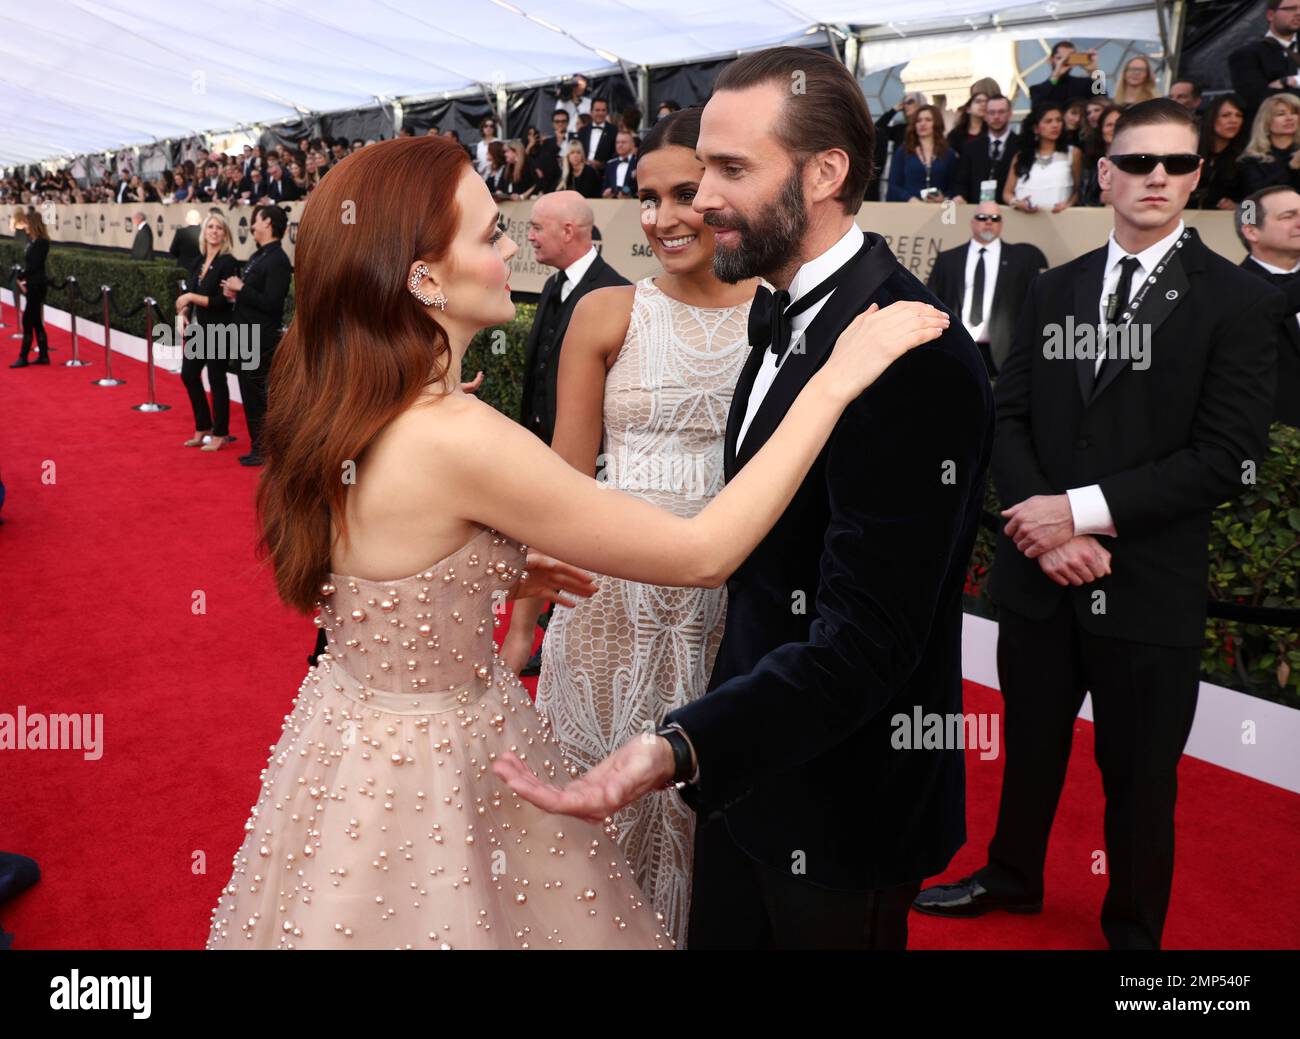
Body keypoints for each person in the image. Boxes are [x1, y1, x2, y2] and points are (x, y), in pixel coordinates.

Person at [203, 131, 940, 950]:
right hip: (440, 764)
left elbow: (384, 561)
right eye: (489, 236)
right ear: (423, 278)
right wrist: (835, 380)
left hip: (348, 741)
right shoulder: (456, 437)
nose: (512, 248)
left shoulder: (352, 400)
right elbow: (704, 553)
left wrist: (494, 565)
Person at [495, 46, 993, 952]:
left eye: (731, 169)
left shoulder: (910, 354)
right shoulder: (776, 308)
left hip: (838, 805)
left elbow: (866, 642)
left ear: (826, 172)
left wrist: (677, 746)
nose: (703, 197)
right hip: (740, 779)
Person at [914, 99, 1282, 950]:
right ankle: (1010, 874)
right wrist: (1049, 530)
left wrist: (1077, 514)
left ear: (1200, 178)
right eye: (1140, 161)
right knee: (1031, 747)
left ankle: (1133, 933)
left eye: (1180, 165)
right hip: (1042, 578)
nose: (1159, 177)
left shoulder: (1233, 301)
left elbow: (1225, 458)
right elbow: (1006, 416)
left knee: (1140, 777)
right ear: (1104, 174)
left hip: (1146, 585)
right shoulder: (1053, 286)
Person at [518, 108, 757, 946]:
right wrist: (522, 626)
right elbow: (560, 485)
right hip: (607, 615)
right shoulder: (609, 312)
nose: (662, 217)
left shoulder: (783, 317)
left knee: (696, 825)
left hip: (725, 615)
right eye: (647, 197)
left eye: (687, 192)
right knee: (593, 825)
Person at [926, 201, 1047, 376]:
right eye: (982, 217)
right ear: (973, 222)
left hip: (1003, 353)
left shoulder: (1021, 260)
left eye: (995, 218)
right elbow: (932, 302)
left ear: (1001, 224)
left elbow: (1033, 307)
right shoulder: (948, 259)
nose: (989, 222)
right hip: (957, 349)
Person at [222, 204, 292, 467]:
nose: (252, 225)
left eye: (257, 220)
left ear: (269, 224)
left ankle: (264, 449)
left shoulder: (278, 260)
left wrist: (241, 289)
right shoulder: (259, 256)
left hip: (259, 337)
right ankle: (259, 446)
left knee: (257, 395)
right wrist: (234, 292)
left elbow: (273, 303)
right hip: (245, 335)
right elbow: (253, 296)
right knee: (249, 393)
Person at [1237, 185, 1300, 426]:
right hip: (1267, 442)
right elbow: (1265, 309)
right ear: (1252, 231)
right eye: (1288, 216)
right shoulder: (1231, 288)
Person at [177, 214, 241, 451]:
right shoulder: (198, 261)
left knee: (216, 380)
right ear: (204, 232)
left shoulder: (229, 262)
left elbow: (222, 302)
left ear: (225, 234)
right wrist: (183, 311)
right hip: (197, 330)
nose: (214, 231)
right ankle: (203, 425)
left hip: (218, 329)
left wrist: (191, 297)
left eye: (219, 228)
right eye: (210, 227)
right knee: (188, 375)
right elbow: (188, 295)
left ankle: (221, 432)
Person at [1229, 0, 1300, 124]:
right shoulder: (1246, 55)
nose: (1298, 13)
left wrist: (1289, 81)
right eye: (1290, 9)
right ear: (1270, 15)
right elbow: (1258, 100)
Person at [1005, 103, 1081, 211]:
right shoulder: (1021, 156)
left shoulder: (1073, 153)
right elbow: (1007, 193)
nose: (1055, 125)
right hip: (1024, 220)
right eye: (1048, 121)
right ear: (1036, 128)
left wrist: (1068, 205)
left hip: (1060, 220)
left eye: (1058, 120)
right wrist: (1017, 203)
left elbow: (1078, 190)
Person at [952, 93, 1018, 203]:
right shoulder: (971, 147)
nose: (996, 117)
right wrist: (960, 196)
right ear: (985, 116)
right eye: (991, 112)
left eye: (1001, 112)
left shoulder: (1021, 146)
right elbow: (961, 181)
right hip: (977, 212)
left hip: (1010, 212)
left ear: (1010, 114)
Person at [886, 104, 956, 202]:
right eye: (918, 120)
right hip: (908, 209)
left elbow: (954, 186)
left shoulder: (948, 153)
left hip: (938, 210)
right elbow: (894, 185)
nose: (922, 124)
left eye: (928, 120)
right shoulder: (903, 151)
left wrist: (944, 198)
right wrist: (910, 199)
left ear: (937, 123)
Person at [8, 208, 50, 368]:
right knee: (37, 322)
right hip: (32, 284)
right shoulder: (33, 241)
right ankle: (44, 355)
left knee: (27, 320)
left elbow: (36, 265)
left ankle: (23, 356)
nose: (24, 226)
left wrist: (21, 276)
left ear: (33, 224)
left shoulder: (41, 242)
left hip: (37, 285)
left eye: (26, 222)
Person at [1190, 93, 1247, 210]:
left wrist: (1239, 208)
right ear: (1212, 118)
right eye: (1226, 115)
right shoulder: (1191, 150)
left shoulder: (1246, 158)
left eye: (1239, 115)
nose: (1234, 120)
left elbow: (1254, 205)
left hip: (1224, 222)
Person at [1238, 92, 1300, 195]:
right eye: (1281, 114)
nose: (1289, 118)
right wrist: (1292, 166)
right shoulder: (1251, 159)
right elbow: (1256, 194)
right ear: (1266, 121)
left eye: (1294, 112)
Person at [1029, 41, 1099, 110]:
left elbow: (1102, 102)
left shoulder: (1084, 84)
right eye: (1059, 58)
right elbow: (1037, 112)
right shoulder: (1037, 90)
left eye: (1068, 59)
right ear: (1050, 60)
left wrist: (1094, 71)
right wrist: (1055, 77)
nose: (1063, 62)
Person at [577, 98, 617, 174]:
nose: (600, 113)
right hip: (582, 173)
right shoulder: (582, 131)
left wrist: (601, 164)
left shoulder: (614, 131)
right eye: (597, 110)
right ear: (591, 111)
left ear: (607, 112)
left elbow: (616, 156)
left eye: (603, 110)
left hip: (603, 174)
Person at [168, 208, 204, 283]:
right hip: (200, 267)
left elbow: (173, 250)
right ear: (200, 220)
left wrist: (182, 257)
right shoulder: (204, 233)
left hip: (183, 267)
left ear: (187, 220)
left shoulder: (181, 232)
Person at [601, 131, 638, 197]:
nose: (620, 145)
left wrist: (628, 193)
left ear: (632, 144)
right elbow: (605, 187)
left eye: (623, 142)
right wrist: (606, 193)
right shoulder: (610, 164)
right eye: (617, 142)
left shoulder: (638, 163)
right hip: (612, 204)